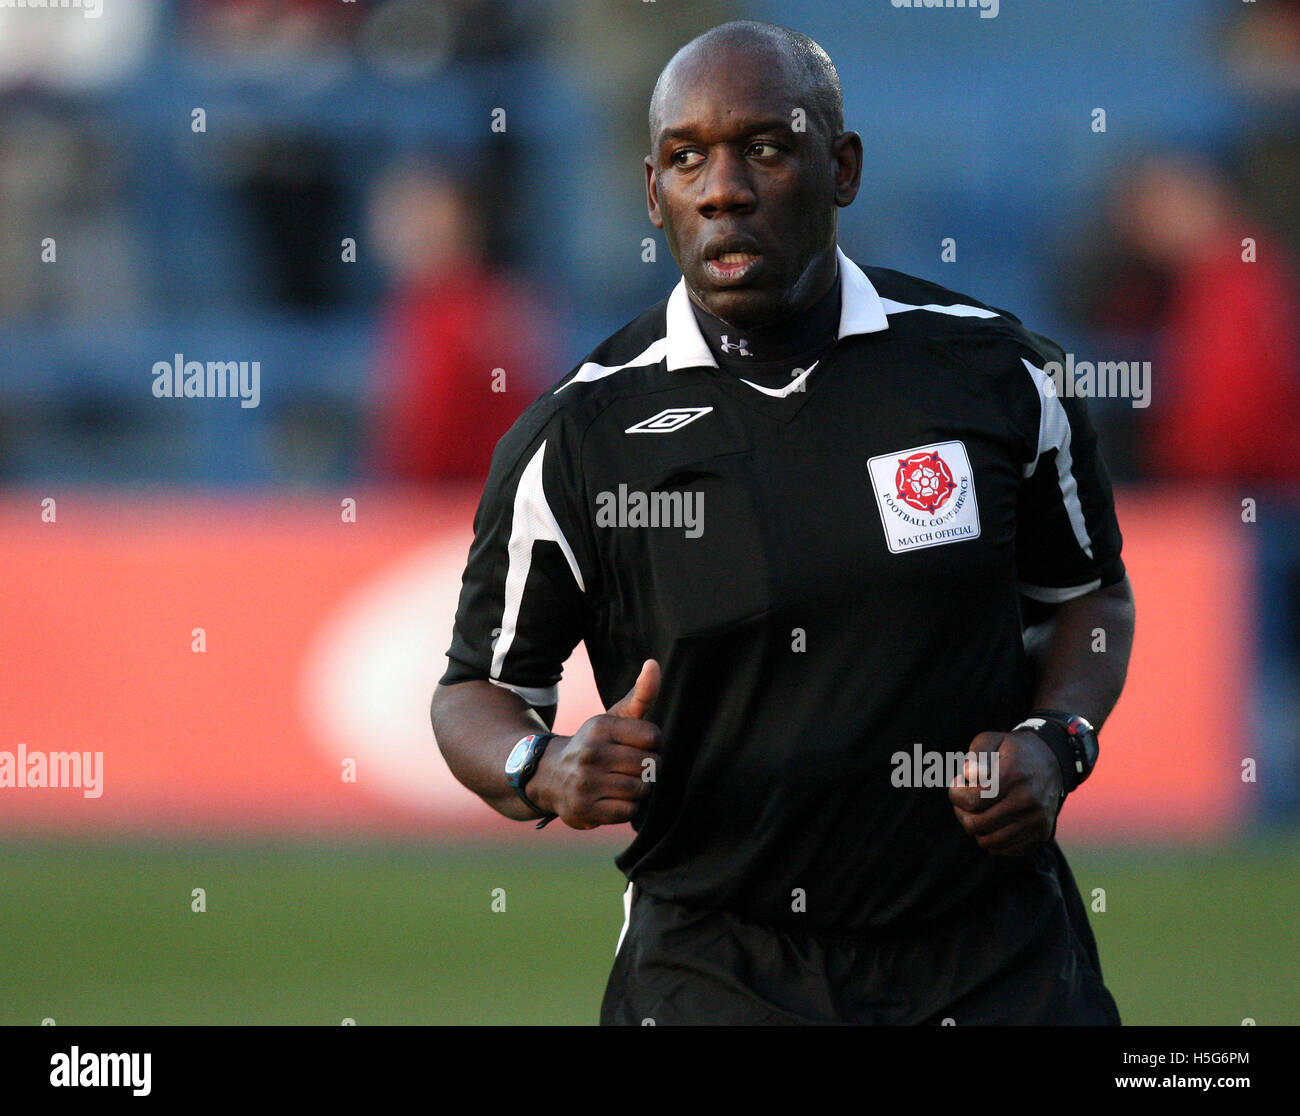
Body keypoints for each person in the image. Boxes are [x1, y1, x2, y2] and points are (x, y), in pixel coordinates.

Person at [431, 20, 1136, 1026]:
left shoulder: (996, 374)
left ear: (840, 167)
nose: (723, 188)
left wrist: (1054, 740)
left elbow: (1088, 597)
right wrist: (538, 766)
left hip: (993, 956)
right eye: (686, 158)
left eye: (765, 147)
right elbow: (476, 691)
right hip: (719, 964)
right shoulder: (583, 436)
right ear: (651, 194)